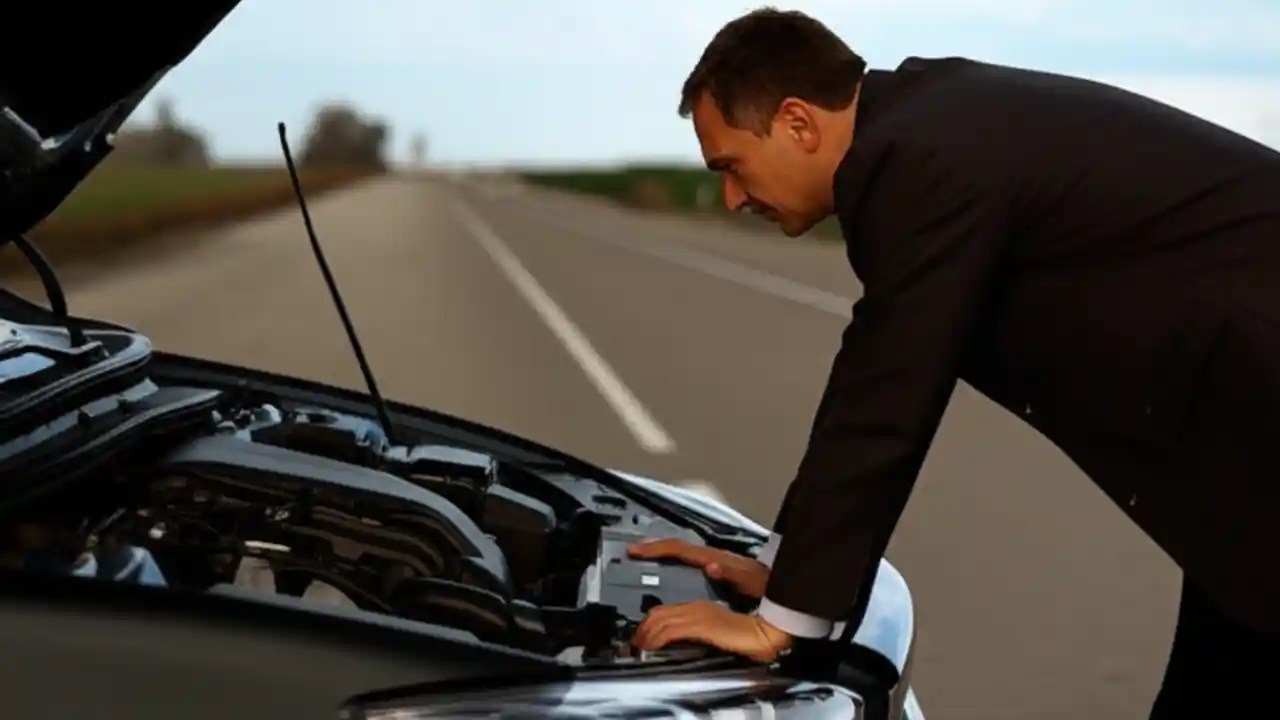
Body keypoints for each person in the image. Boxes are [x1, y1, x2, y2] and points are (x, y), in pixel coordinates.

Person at [626, 7, 1280, 718]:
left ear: (796, 122)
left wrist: (777, 623)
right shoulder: (923, 131)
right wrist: (787, 571)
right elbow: (868, 379)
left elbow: (888, 398)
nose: (730, 198)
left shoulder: (921, 160)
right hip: (1246, 480)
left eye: (731, 166)